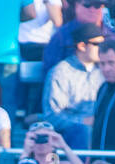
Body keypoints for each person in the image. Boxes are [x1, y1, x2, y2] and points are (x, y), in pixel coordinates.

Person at [43, 22, 104, 151]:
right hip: (71, 137)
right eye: (97, 44)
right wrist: (82, 121)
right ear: (82, 46)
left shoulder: (105, 70)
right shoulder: (60, 72)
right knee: (83, 131)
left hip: (101, 131)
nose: (102, 49)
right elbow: (51, 116)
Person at [42, 0, 115, 74]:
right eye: (87, 4)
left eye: (97, 5)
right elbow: (51, 72)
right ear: (75, 5)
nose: (92, 9)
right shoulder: (61, 38)